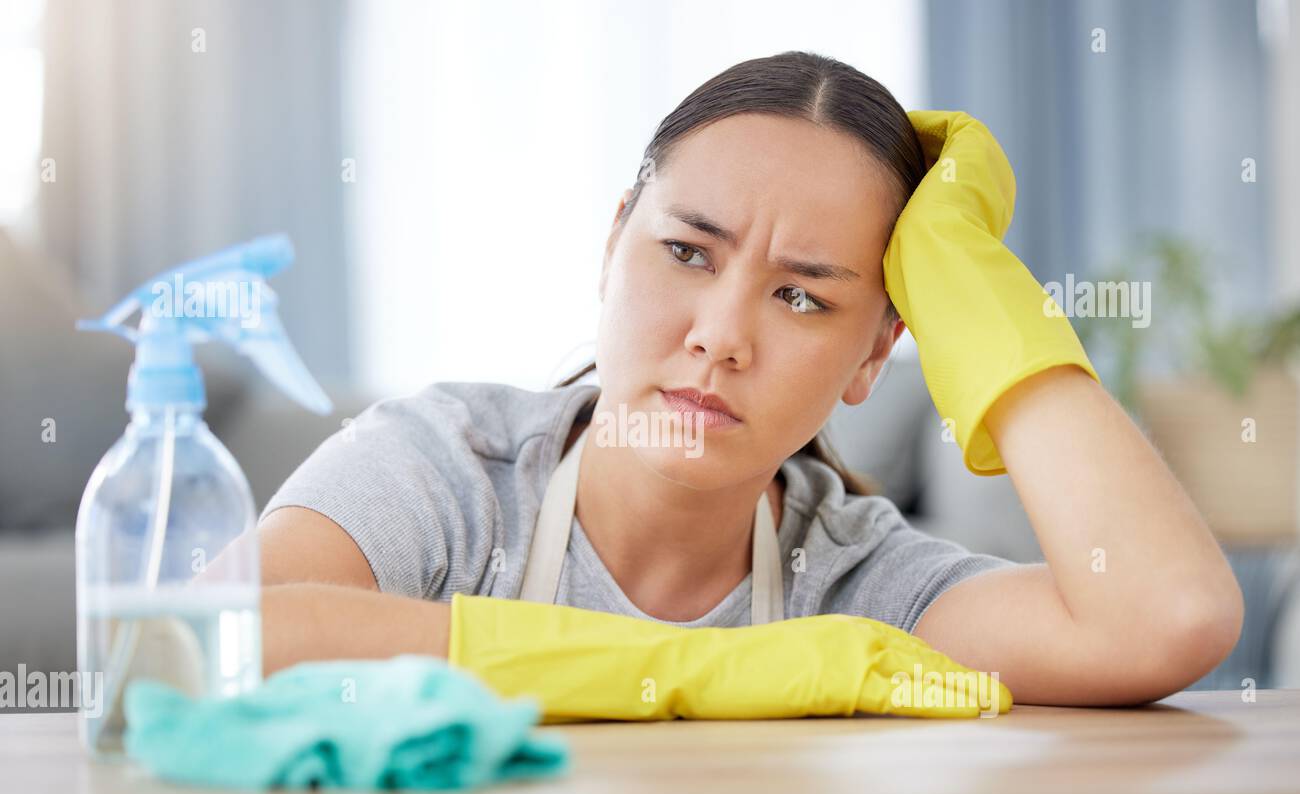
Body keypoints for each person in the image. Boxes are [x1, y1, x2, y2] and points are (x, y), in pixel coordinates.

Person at [257, 51, 1242, 706]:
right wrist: (693, 673)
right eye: (688, 252)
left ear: (873, 355)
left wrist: (964, 274)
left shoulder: (857, 586)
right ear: (612, 245)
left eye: (802, 297)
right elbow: (211, 641)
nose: (721, 337)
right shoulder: (446, 473)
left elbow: (1168, 618)